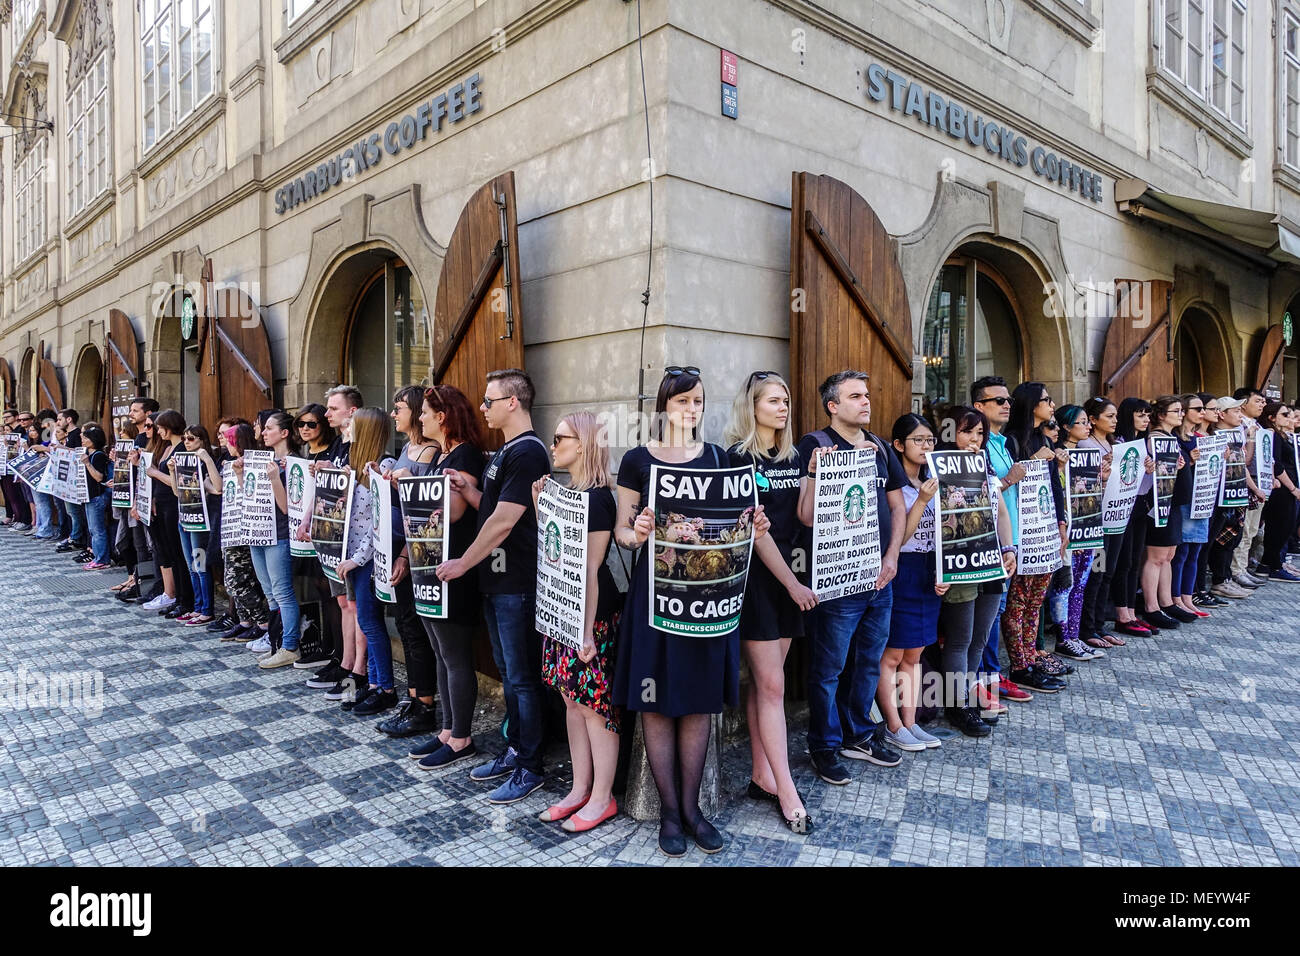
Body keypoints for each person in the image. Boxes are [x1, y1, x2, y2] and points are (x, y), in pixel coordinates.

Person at [611, 366, 767, 856]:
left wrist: (753, 524)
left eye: (698, 401)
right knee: (655, 704)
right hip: (654, 601)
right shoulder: (636, 460)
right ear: (664, 407)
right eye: (682, 402)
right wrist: (636, 533)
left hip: (707, 602)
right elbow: (620, 531)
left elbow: (734, 528)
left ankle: (695, 810)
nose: (692, 409)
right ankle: (670, 813)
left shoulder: (721, 458)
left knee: (698, 701)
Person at [436, 370, 552, 805]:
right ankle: (515, 751)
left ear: (513, 403)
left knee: (523, 680)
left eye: (489, 401)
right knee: (510, 675)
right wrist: (470, 486)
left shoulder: (529, 452)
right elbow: (496, 505)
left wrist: (464, 563)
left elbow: (505, 520)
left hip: (516, 583)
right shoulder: (505, 452)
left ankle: (530, 765)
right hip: (497, 582)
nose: (482, 408)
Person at [795, 370, 906, 784]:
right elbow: (804, 517)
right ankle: (824, 744)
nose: (866, 401)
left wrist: (891, 557)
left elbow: (897, 507)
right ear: (833, 406)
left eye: (867, 394)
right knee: (828, 669)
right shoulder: (815, 444)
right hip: (837, 583)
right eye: (855, 396)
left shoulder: (878, 447)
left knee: (868, 663)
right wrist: (813, 474)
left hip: (879, 578)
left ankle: (859, 733)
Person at [724, 371, 816, 831]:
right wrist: (793, 585)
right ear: (752, 406)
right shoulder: (735, 460)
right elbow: (757, 537)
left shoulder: (794, 456)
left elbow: (803, 517)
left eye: (786, 400)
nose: (783, 408)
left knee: (767, 686)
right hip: (759, 583)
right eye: (773, 401)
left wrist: (816, 478)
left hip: (790, 578)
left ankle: (762, 773)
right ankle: (787, 789)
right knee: (773, 687)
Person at [532, 411, 623, 833]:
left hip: (591, 615)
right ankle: (579, 788)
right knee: (571, 702)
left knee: (593, 706)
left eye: (560, 438)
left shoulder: (600, 498)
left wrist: (585, 631)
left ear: (584, 443)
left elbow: (590, 568)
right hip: (562, 609)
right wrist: (539, 508)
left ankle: (603, 796)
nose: (553, 445)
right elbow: (556, 554)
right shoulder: (566, 490)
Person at [403, 386, 487, 768]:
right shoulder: (444, 455)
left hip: (457, 569)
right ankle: (447, 729)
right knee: (440, 652)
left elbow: (452, 513)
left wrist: (415, 487)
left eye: (425, 413)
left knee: (454, 656)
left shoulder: (465, 453)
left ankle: (461, 737)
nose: (419, 418)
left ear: (443, 417)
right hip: (433, 567)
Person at [934, 406, 1013, 736]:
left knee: (980, 638)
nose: (974, 439)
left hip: (990, 561)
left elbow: (1002, 516)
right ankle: (956, 706)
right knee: (959, 639)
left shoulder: (988, 471)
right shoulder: (935, 471)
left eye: (980, 433)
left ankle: (967, 697)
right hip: (958, 564)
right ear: (951, 433)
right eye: (967, 432)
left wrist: (1009, 550)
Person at [376, 386, 442, 736]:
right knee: (403, 623)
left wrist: (407, 481)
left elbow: (427, 504)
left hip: (415, 553)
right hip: (397, 544)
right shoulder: (407, 448)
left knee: (415, 631)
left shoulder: (432, 451)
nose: (394, 413)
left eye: (399, 407)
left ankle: (425, 705)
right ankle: (413, 697)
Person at [879, 413, 945, 753]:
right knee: (891, 655)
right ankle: (892, 724)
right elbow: (898, 538)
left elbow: (949, 533)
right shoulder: (894, 487)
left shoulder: (936, 479)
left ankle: (911, 721)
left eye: (930, 440)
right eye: (918, 440)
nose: (925, 446)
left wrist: (947, 572)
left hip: (928, 571)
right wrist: (921, 500)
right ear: (899, 445)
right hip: (900, 568)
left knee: (915, 654)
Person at [970, 376, 1034, 705]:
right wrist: (1010, 479)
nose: (1007, 405)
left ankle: (993, 675)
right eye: (998, 401)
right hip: (986, 541)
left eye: (1007, 400)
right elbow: (980, 496)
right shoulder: (978, 447)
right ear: (979, 406)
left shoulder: (1003, 442)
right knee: (988, 615)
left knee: (999, 609)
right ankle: (986, 678)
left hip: (1010, 538)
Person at [335, 408, 398, 713]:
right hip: (353, 559)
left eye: (353, 425)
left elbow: (378, 524)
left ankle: (385, 687)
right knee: (365, 621)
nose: (347, 429)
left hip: (368, 560)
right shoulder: (354, 465)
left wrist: (357, 560)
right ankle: (373, 684)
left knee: (371, 623)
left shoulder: (384, 464)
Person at [242, 411, 305, 668]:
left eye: (269, 428)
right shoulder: (263, 459)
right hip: (258, 532)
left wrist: (273, 478)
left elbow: (286, 507)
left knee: (282, 593)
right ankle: (276, 641)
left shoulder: (293, 463)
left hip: (279, 535)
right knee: (270, 593)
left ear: (285, 433)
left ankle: (290, 646)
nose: (264, 432)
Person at [1048, 404, 1108, 662]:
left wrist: (1102, 477)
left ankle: (1074, 635)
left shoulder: (1088, 454)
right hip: (1066, 529)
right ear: (1066, 427)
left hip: (1087, 525)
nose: (1088, 427)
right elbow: (1056, 492)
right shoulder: (1058, 455)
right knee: (1065, 584)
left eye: (1087, 422)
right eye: (1082, 422)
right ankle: (1063, 637)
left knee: (1082, 582)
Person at [215, 422, 272, 645]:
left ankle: (263, 622)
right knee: (233, 580)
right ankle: (246, 621)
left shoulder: (256, 462)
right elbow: (216, 487)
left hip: (245, 529)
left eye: (228, 440)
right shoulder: (229, 464)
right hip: (231, 527)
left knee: (239, 580)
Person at [1076, 397, 1127, 649]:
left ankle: (1099, 624)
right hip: (1096, 519)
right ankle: (1087, 628)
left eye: (1116, 416)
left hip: (1116, 515)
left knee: (1107, 573)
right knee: (1095, 573)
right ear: (1093, 419)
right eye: (1109, 416)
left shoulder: (1115, 443)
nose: (1115, 421)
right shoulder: (1085, 444)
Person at [1139, 396, 1193, 629]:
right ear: (1161, 415)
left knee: (1169, 555)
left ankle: (1167, 601)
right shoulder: (1154, 438)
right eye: (1176, 411)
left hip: (1173, 503)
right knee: (1157, 557)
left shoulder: (1172, 438)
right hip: (1160, 504)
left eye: (1182, 410)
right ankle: (1151, 605)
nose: (1181, 414)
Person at [133, 409, 193, 617]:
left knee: (179, 554)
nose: (158, 431)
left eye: (160, 427)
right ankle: (177, 597)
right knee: (168, 552)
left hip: (175, 505)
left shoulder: (181, 449)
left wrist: (156, 473)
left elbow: (181, 484)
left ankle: (186, 599)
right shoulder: (167, 449)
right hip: (161, 504)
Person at [1111, 398, 1158, 633]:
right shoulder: (1119, 443)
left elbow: (1147, 483)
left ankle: (1131, 611)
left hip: (1141, 503)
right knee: (1124, 561)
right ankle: (1121, 613)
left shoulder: (1144, 442)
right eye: (1141, 415)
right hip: (1122, 505)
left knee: (1134, 560)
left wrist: (1151, 470)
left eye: (1148, 415)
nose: (1146, 420)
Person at [167, 425, 220, 626]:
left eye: (190, 438)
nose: (186, 442)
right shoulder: (183, 459)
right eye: (184, 438)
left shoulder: (208, 460)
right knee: (192, 565)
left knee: (200, 565)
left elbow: (215, 488)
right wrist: (172, 471)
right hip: (185, 516)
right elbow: (176, 492)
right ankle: (198, 607)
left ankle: (206, 609)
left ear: (201, 439)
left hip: (200, 519)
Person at [1208, 397, 1256, 600]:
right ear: (1222, 414)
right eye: (1235, 411)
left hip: (1236, 492)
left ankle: (1226, 577)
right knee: (1219, 540)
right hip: (1219, 495)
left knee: (1234, 537)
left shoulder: (1237, 434)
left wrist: (1252, 488)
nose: (1239, 415)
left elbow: (1243, 462)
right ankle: (1219, 580)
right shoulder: (1215, 435)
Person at [1169, 394, 1211, 618]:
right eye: (1198, 408)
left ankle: (1188, 596)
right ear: (1185, 411)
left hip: (1202, 497)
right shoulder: (1176, 439)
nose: (1203, 412)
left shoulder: (1200, 437)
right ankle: (1176, 598)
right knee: (1182, 550)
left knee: (1195, 550)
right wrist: (1192, 460)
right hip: (1185, 499)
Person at [1229, 387, 1270, 587]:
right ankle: (1236, 570)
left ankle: (1242, 568)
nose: (1262, 405)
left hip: (1259, 481)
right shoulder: (1240, 426)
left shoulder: (1257, 425)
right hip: (1248, 481)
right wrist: (1252, 437)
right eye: (1258, 401)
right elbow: (1244, 460)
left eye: (1263, 402)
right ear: (1243, 404)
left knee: (1252, 529)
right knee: (1243, 530)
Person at [1256, 403, 1300, 581]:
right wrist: (1293, 488)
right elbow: (1277, 464)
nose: (1290, 418)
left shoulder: (1283, 435)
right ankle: (1270, 565)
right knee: (1278, 527)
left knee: (1286, 527)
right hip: (1281, 489)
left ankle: (1276, 563)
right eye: (1284, 414)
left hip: (1288, 488)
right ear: (1272, 418)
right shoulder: (1272, 435)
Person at [79, 424, 114, 570]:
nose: (83, 440)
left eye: (86, 438)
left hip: (97, 496)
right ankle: (97, 557)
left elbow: (99, 477)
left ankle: (102, 559)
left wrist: (87, 464)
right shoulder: (87, 453)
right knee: (93, 529)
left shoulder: (98, 455)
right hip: (89, 496)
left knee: (97, 529)